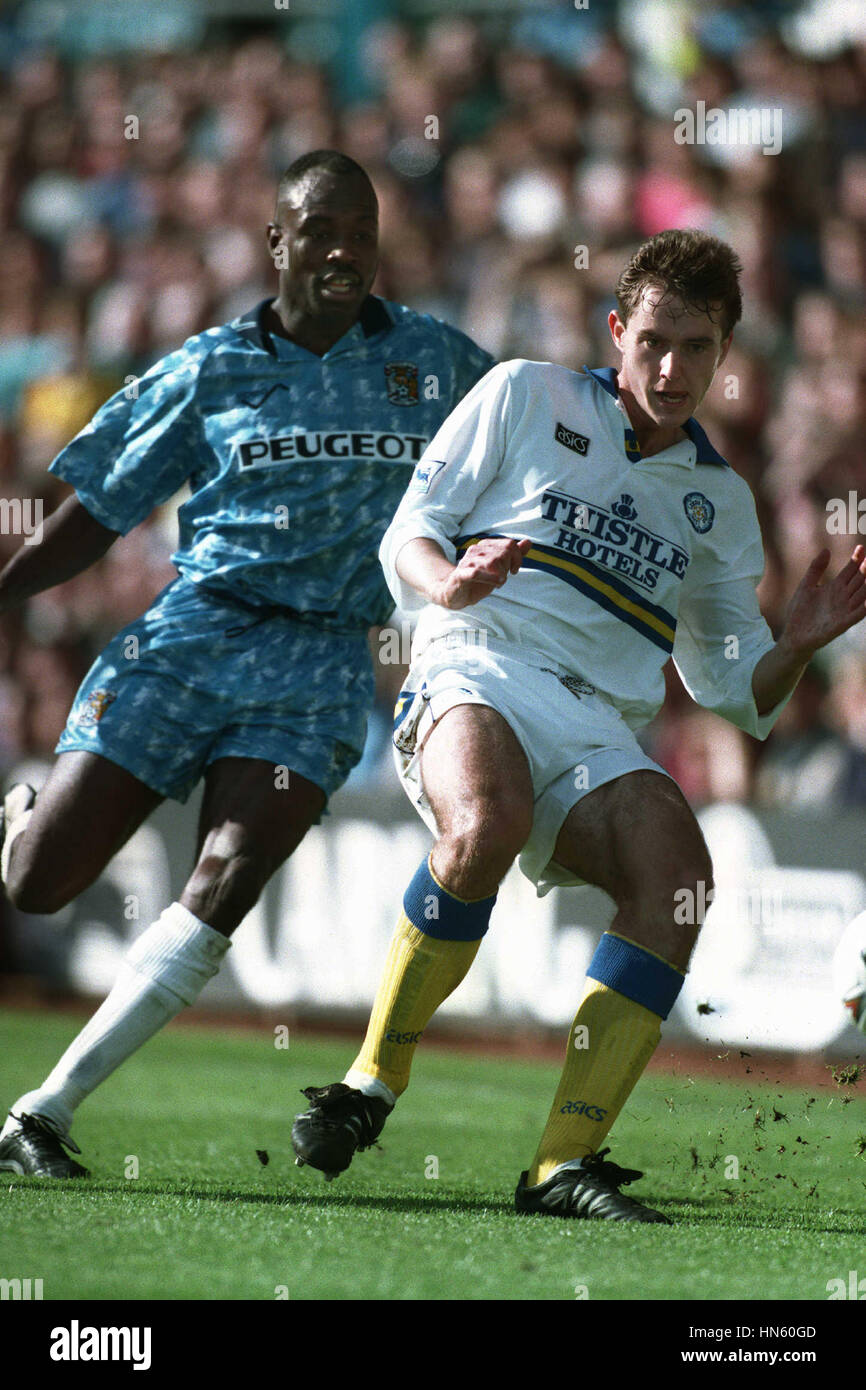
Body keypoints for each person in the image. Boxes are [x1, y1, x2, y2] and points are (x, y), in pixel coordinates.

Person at [291, 228, 866, 1222]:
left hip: (596, 723)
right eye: (652, 341)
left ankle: (561, 1163)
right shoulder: (524, 394)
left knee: (677, 875)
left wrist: (798, 641)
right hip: (474, 657)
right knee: (486, 820)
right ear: (615, 330)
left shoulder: (717, 503)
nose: (672, 367)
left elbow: (730, 685)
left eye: (696, 347)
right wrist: (452, 582)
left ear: (723, 353)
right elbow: (409, 531)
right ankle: (369, 1082)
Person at [0, 149, 494, 1179]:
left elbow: (537, 436)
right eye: (320, 228)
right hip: (193, 632)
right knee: (38, 885)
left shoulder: (441, 362)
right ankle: (19, 813)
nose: (344, 248)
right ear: (277, 241)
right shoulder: (207, 369)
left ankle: (44, 1112)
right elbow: (98, 514)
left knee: (225, 876)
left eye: (361, 228)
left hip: (319, 659)